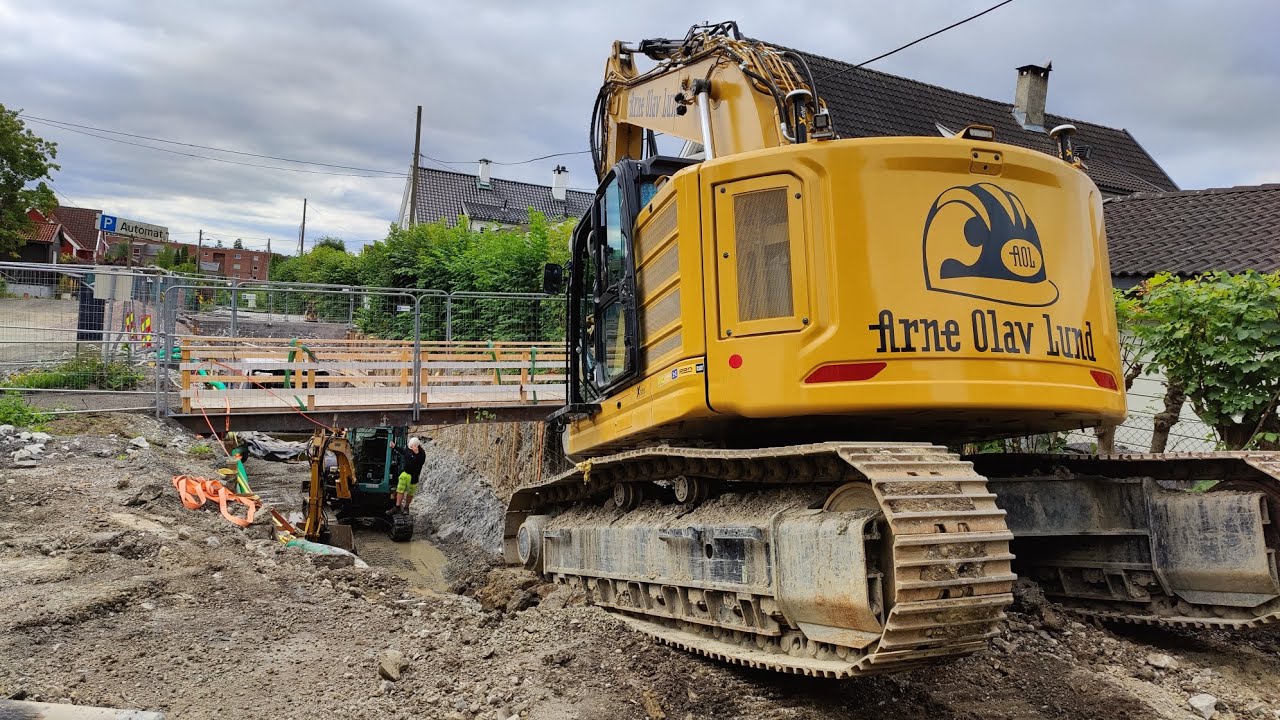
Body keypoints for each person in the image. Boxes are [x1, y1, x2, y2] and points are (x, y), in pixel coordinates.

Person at [389, 436, 426, 512]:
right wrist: (395, 447)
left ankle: (406, 507)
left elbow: (421, 462)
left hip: (414, 475)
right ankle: (397, 506)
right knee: (400, 490)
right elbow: (403, 451)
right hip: (405, 473)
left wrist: (416, 454)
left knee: (410, 492)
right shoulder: (408, 450)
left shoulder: (422, 453)